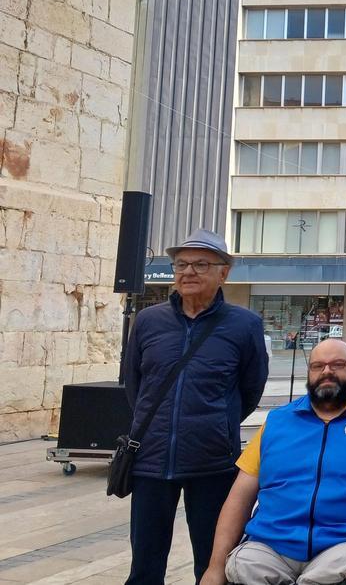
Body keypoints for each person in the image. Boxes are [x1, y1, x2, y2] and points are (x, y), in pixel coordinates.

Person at [199, 339, 346, 585]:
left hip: (343, 542)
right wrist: (215, 566)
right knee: (241, 566)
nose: (326, 372)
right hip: (271, 542)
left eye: (337, 364)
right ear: (310, 372)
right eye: (318, 366)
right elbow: (239, 497)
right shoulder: (276, 423)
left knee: (342, 567)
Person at [121, 228, 270, 584]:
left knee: (214, 560)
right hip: (151, 461)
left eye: (201, 264)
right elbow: (135, 386)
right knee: (145, 564)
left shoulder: (244, 325)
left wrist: (216, 423)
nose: (188, 272)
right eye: (181, 264)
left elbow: (251, 389)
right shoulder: (148, 321)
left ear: (224, 272)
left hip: (213, 462)